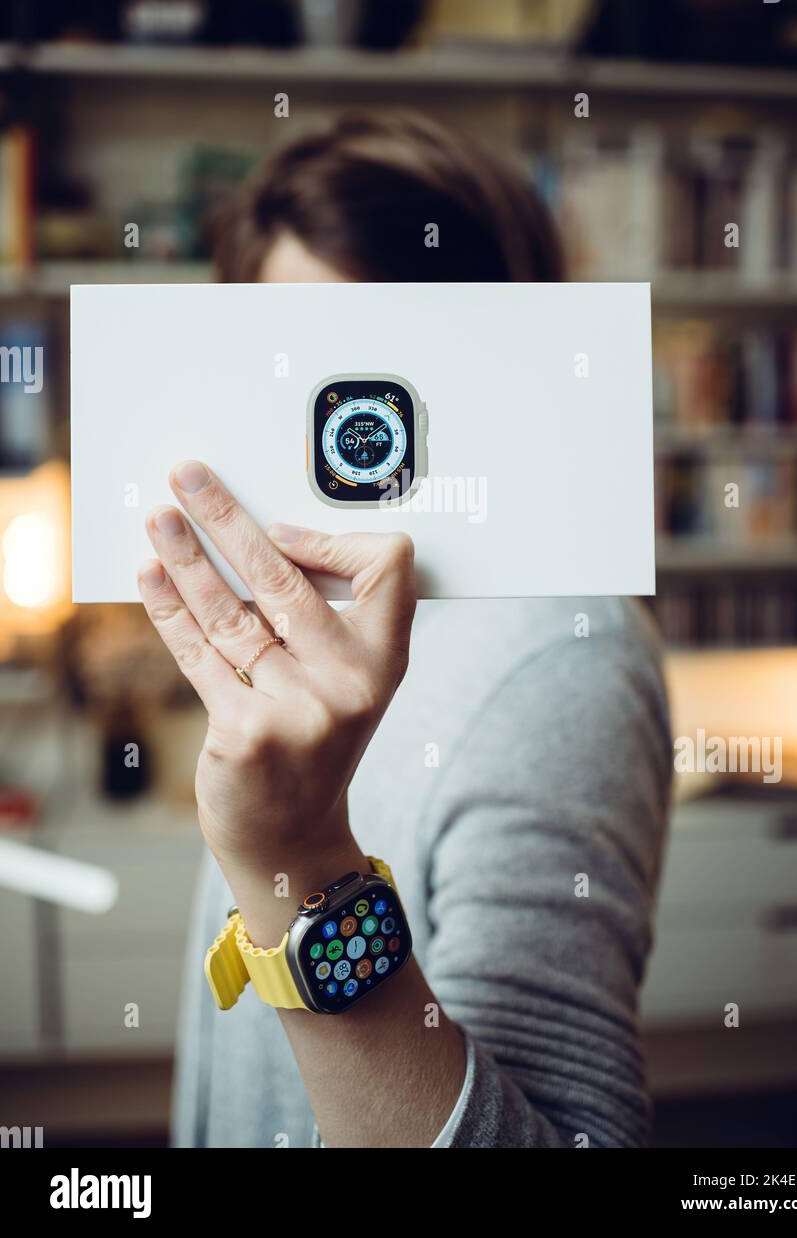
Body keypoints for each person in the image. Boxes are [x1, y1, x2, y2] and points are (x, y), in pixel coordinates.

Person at [139, 112, 671, 1149]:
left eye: (388, 364)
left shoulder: (556, 656)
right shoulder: (292, 620)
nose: (350, 428)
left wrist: (297, 858)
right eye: (294, 366)